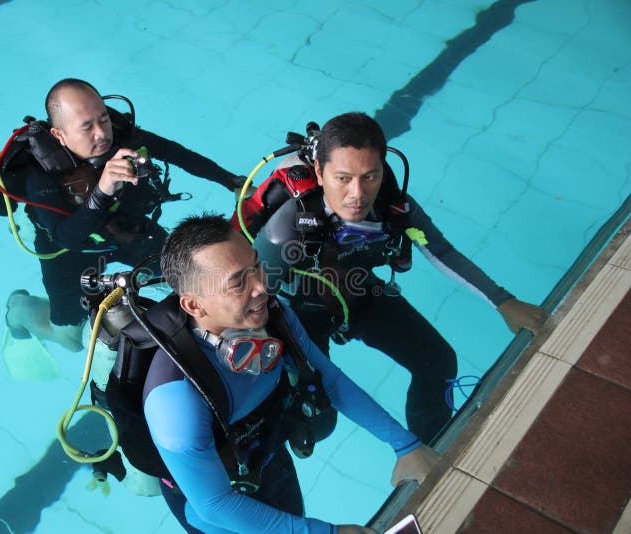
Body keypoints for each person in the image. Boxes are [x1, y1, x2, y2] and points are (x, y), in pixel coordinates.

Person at [234, 112, 549, 444]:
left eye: (370, 176)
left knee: (438, 363)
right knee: (319, 423)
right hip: (302, 313)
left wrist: (504, 302)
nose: (358, 194)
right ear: (320, 173)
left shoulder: (395, 207)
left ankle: (432, 449)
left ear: (383, 170)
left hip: (363, 295)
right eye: (343, 178)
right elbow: (248, 303)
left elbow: (441, 251)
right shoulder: (288, 228)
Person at [144, 213, 438, 533]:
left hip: (267, 461)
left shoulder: (273, 316)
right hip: (216, 512)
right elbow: (215, 506)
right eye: (238, 282)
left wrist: (405, 445)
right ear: (194, 306)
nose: (261, 286)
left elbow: (329, 378)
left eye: (256, 265)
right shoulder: (175, 398)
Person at [0, 78, 244, 369]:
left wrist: (232, 181)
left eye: (103, 118)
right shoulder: (40, 175)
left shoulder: (121, 137)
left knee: (190, 277)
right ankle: (20, 310)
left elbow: (177, 154)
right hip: (71, 252)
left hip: (127, 231)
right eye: (86, 126)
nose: (101, 133)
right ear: (59, 134)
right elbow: (66, 238)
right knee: (72, 341)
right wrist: (103, 190)